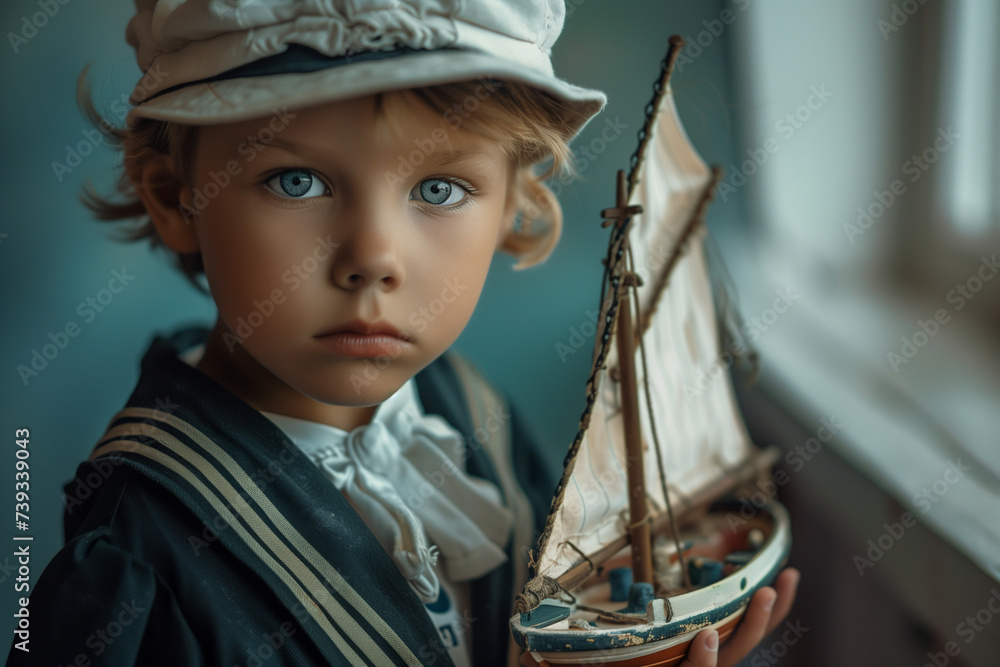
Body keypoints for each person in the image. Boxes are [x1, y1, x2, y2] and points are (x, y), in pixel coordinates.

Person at [7, 1, 798, 665]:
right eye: (297, 180)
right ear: (177, 197)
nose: (373, 258)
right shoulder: (134, 566)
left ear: (514, 207)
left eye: (440, 186)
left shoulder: (471, 418)